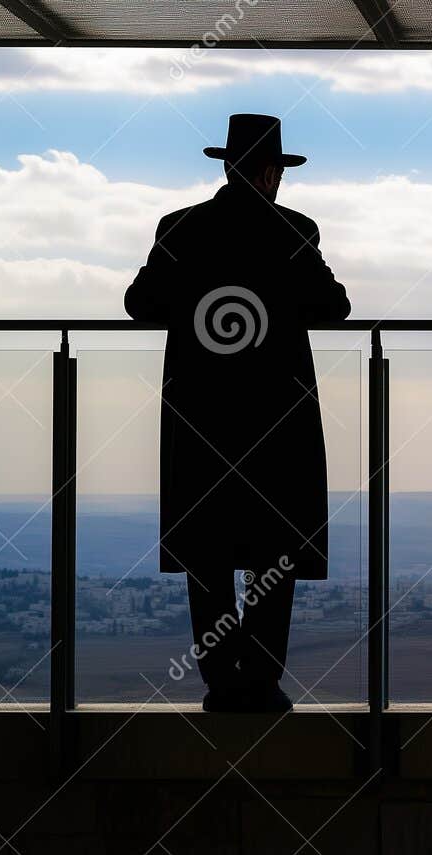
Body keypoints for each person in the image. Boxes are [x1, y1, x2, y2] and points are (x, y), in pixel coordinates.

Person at [124, 113, 350, 712]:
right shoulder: (294, 230)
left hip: (201, 418)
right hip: (279, 418)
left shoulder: (181, 228)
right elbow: (334, 308)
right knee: (275, 551)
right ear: (272, 170)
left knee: (209, 552)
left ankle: (221, 682)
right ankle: (264, 680)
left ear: (226, 165)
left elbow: (140, 304)